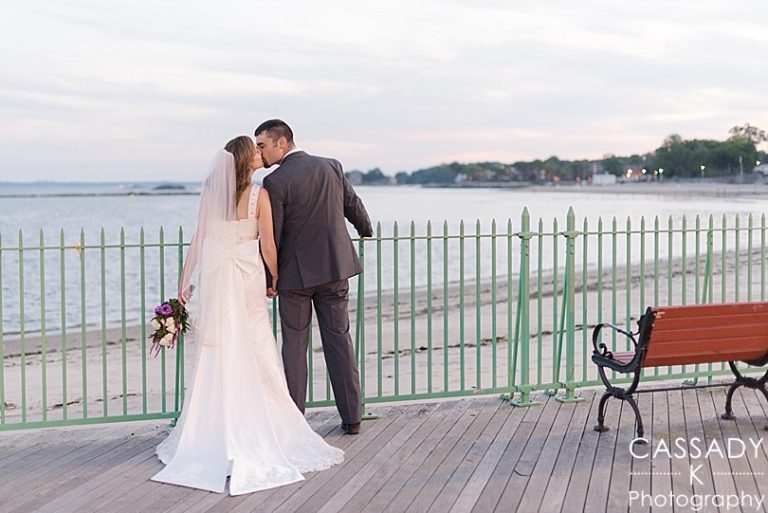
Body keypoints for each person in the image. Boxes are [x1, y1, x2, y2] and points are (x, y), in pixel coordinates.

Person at [151, 136, 343, 495]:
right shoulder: (259, 195)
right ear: (245, 160)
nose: (259, 153)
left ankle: (214, 428)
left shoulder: (212, 193)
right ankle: (260, 427)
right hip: (247, 278)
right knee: (255, 347)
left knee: (219, 348)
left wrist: (185, 282)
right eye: (254, 151)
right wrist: (275, 278)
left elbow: (199, 238)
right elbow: (268, 245)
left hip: (217, 277)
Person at [255, 120, 373, 435]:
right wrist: (366, 229)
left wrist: (271, 278)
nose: (259, 152)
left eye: (262, 145)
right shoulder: (331, 166)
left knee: (294, 348)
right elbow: (352, 205)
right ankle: (352, 419)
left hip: (295, 278)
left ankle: (295, 424)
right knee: (340, 342)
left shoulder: (275, 182)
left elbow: (273, 236)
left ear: (281, 142)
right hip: (335, 269)